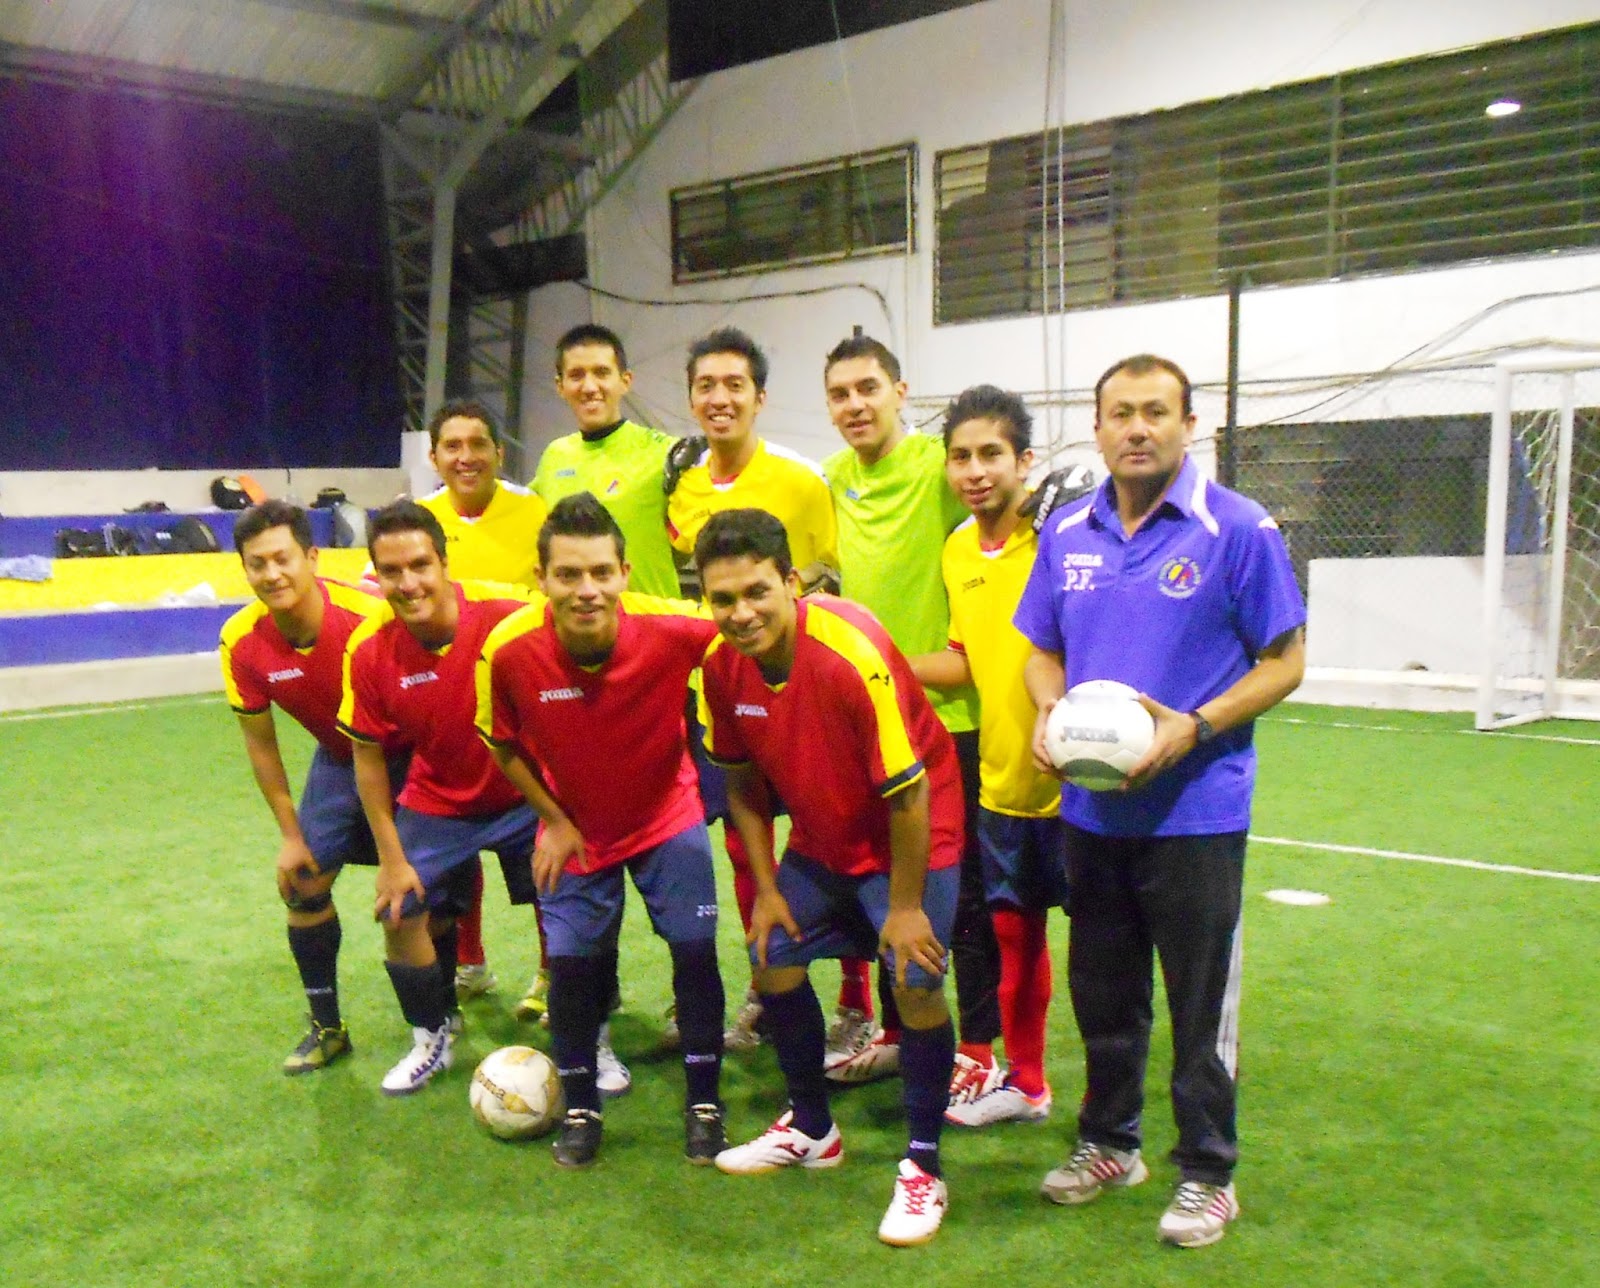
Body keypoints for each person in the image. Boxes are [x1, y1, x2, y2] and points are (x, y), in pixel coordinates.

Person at [1014, 354, 1306, 1248]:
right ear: (1096, 429)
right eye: (1119, 414)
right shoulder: (1066, 532)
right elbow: (1040, 648)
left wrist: (1194, 725)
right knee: (1104, 993)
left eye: (1155, 413)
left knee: (1197, 1003)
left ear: (1189, 424)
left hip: (1196, 815)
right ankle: (1110, 1144)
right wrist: (1046, 714)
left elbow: (1286, 662)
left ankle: (1209, 1172)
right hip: (1092, 814)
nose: (1137, 429)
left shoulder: (1238, 529)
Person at [695, 508, 962, 1248]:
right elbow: (741, 782)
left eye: (756, 592)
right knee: (771, 957)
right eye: (723, 600)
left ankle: (923, 1164)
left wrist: (905, 909)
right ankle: (813, 1128)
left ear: (790, 581)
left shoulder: (851, 651)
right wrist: (768, 890)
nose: (741, 614)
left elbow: (907, 791)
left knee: (913, 976)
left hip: (912, 830)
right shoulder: (720, 669)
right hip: (824, 835)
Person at [476, 493, 726, 1168]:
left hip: (665, 813)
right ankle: (581, 1107)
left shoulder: (675, 628)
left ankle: (705, 1101)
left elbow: (754, 627)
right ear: (541, 578)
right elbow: (501, 745)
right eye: (568, 575)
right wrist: (553, 820)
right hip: (575, 830)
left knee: (695, 952)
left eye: (600, 573)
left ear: (624, 571)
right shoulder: (507, 651)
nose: (586, 591)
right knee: (574, 970)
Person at [665, 325, 851, 1050]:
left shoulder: (801, 483)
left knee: (825, 839)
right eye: (706, 386)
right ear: (691, 397)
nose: (720, 398)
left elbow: (828, 585)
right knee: (746, 848)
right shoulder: (677, 483)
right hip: (718, 696)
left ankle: (853, 1001)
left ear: (760, 397)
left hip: (799, 697)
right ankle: (765, 989)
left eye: (734, 385)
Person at [821, 333, 996, 1098]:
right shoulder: (831, 481)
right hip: (863, 727)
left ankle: (981, 1048)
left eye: (868, 388)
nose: (855, 405)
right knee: (880, 885)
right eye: (840, 394)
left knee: (965, 898)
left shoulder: (939, 468)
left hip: (948, 718)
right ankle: (898, 1031)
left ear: (900, 390)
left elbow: (1005, 515)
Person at [909, 386, 1073, 1127]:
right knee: (1014, 932)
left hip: (1080, 780)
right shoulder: (955, 550)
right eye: (961, 457)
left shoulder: (1061, 536)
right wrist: (877, 661)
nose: (974, 471)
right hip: (1003, 777)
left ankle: (1112, 1100)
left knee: (1105, 946)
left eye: (990, 455)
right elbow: (965, 659)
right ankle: (1027, 1083)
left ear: (1024, 461)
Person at [338, 501, 540, 1095]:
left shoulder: (507, 618)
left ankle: (593, 1036)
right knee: (398, 913)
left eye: (420, 565)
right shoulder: (371, 650)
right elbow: (368, 760)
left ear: (444, 562)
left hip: (523, 794)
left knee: (578, 901)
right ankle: (431, 1037)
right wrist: (392, 861)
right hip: (438, 802)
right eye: (391, 571)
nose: (408, 583)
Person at [220, 500, 403, 1075]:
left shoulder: (371, 615)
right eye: (257, 564)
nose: (272, 574)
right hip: (341, 756)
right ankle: (327, 1026)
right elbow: (262, 746)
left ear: (312, 557)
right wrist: (290, 836)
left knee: (419, 895)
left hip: (414, 754)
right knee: (301, 883)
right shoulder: (240, 641)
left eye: (282, 559)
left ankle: (438, 1019)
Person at [533, 324, 680, 599]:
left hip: (651, 629)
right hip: (577, 628)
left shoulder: (665, 453)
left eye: (601, 373)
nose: (589, 387)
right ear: (560, 386)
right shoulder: (554, 456)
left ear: (625, 380)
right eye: (576, 375)